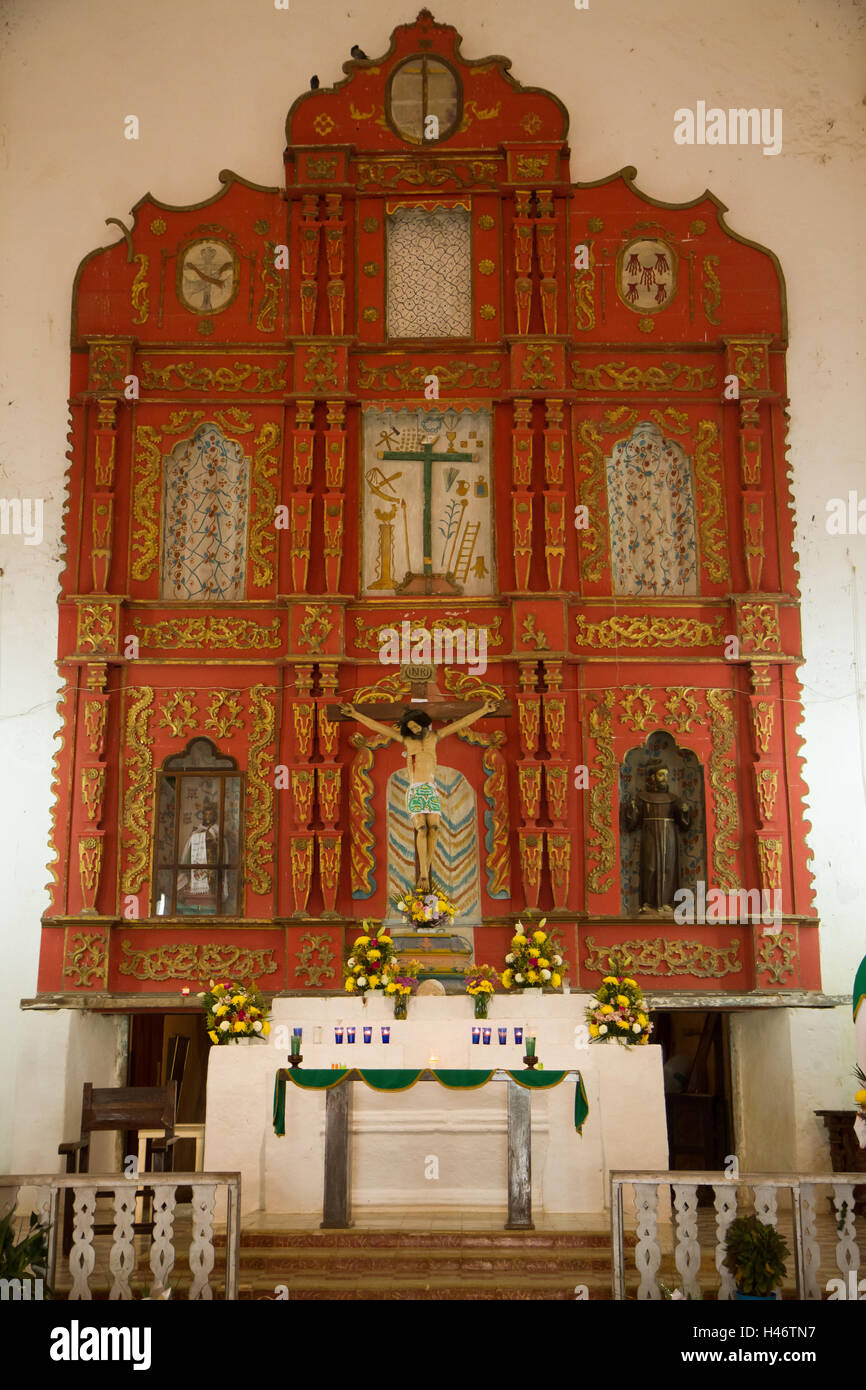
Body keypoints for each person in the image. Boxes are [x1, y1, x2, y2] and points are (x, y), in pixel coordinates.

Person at [338, 698, 497, 891]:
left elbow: (461, 723)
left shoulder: (435, 737)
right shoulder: (407, 740)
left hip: (430, 788)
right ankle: (423, 874)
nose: (414, 730)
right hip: (415, 789)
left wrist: (483, 710)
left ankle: (425, 871)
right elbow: (378, 727)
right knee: (422, 828)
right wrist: (355, 714)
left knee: (434, 828)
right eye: (411, 727)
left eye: (416, 726)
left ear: (422, 723)